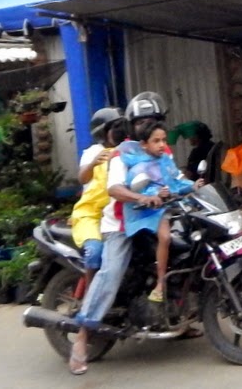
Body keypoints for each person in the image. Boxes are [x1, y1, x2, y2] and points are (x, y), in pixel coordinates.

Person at [69, 92, 169, 376]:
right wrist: (139, 199)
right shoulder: (121, 153)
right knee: (110, 273)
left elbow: (171, 176)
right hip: (121, 221)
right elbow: (113, 189)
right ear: (132, 125)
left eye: (154, 121)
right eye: (142, 122)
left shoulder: (160, 147)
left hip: (152, 215)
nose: (148, 126)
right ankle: (82, 337)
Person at [119, 120, 205, 303]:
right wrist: (155, 194)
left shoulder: (165, 161)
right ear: (144, 144)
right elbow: (137, 190)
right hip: (145, 212)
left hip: (166, 207)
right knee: (165, 237)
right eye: (156, 141)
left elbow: (176, 181)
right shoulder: (139, 167)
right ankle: (160, 282)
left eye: (164, 140)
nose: (162, 145)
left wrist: (194, 185)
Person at [69, 107, 127, 288]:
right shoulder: (94, 152)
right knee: (95, 251)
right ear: (103, 132)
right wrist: (94, 163)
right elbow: (82, 178)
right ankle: (92, 295)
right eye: (114, 127)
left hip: (117, 214)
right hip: (92, 215)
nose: (119, 131)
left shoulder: (125, 150)